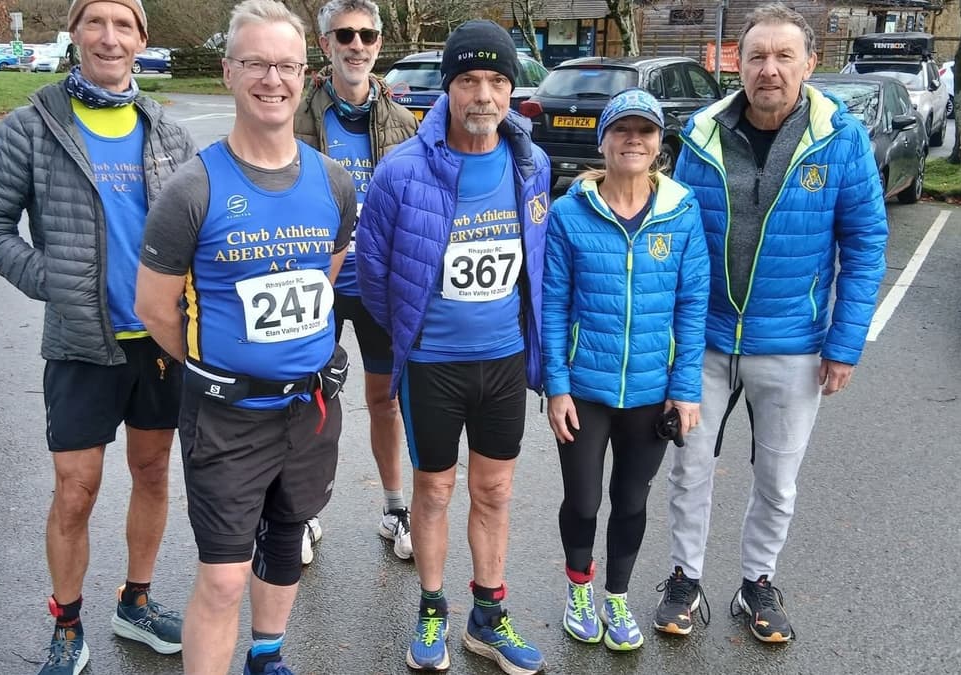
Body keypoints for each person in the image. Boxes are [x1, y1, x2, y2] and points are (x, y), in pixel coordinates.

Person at [0, 1, 198, 673]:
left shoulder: (167, 132)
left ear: (141, 39)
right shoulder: (33, 125)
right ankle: (67, 623)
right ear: (74, 32)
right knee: (76, 488)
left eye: (123, 24)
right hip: (80, 342)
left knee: (152, 472)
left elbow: (199, 230)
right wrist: (53, 281)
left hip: (159, 342)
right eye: (95, 21)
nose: (109, 37)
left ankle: (136, 600)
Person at [652, 2, 888, 644]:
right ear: (738, 63)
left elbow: (866, 243)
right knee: (689, 471)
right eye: (757, 56)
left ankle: (757, 583)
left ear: (810, 63)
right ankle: (684, 579)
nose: (770, 69)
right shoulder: (701, 133)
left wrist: (845, 342)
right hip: (703, 341)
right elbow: (674, 235)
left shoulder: (841, 140)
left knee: (777, 480)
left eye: (785, 56)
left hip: (793, 343)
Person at [133, 1, 354, 673]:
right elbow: (154, 308)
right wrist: (222, 367)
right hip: (227, 419)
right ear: (228, 72)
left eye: (286, 65)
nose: (272, 79)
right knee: (225, 576)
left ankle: (267, 655)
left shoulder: (333, 182)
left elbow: (327, 275)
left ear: (306, 74)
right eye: (255, 63)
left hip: (311, 411)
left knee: (286, 543)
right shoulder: (192, 188)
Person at [357, 19, 550, 675]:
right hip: (432, 365)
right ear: (448, 87)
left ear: (511, 88)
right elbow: (375, 275)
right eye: (468, 80)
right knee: (434, 491)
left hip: (503, 360)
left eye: (497, 80)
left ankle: (487, 616)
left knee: (494, 491)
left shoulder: (531, 164)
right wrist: (415, 333)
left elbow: (536, 262)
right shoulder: (401, 171)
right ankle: (433, 608)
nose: (483, 95)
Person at [542, 88, 709, 652]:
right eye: (622, 130)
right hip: (584, 389)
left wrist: (685, 389)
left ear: (660, 144)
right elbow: (553, 303)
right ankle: (579, 590)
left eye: (645, 131)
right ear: (604, 141)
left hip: (651, 391)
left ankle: (616, 597)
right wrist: (556, 387)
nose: (633, 140)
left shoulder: (682, 213)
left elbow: (692, 306)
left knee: (632, 501)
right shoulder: (569, 214)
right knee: (584, 500)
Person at [293, 0, 418, 565]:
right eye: (344, 35)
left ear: (379, 42)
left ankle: (395, 508)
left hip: (379, 285)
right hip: (317, 280)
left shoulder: (403, 121)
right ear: (325, 44)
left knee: (384, 400)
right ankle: (301, 512)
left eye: (367, 35)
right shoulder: (297, 113)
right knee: (309, 399)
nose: (357, 45)